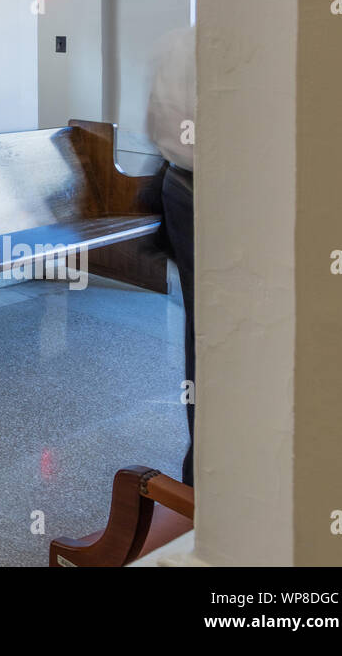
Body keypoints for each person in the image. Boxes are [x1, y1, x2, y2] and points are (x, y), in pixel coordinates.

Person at [147, 25, 195, 485]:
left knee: (203, 330)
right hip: (199, 188)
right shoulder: (196, 43)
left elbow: (156, 121)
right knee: (211, 332)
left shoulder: (184, 41)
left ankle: (202, 467)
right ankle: (205, 472)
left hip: (181, 182)